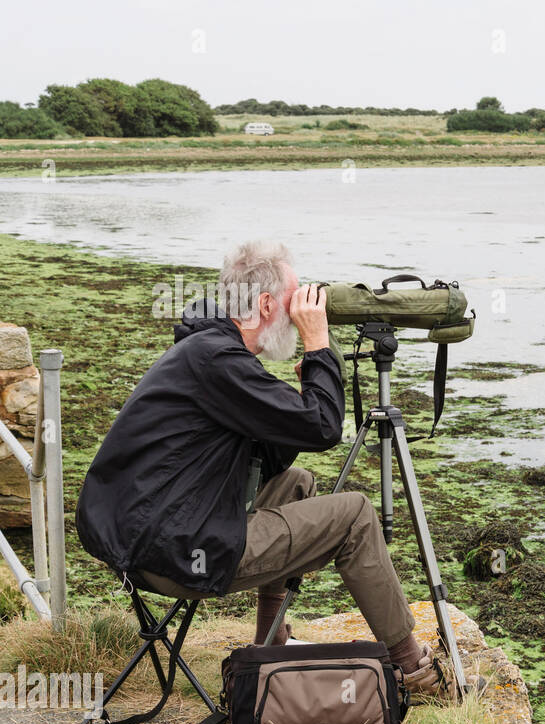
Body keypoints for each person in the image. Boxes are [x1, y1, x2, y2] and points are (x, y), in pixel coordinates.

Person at [75, 240, 452, 698]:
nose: (299, 312)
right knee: (353, 514)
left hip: (154, 539)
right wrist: (318, 346)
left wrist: (288, 406)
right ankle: (415, 671)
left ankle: (269, 644)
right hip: (174, 554)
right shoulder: (218, 361)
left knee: (296, 484)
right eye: (293, 301)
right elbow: (325, 429)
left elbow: (273, 453)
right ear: (268, 303)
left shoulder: (208, 352)